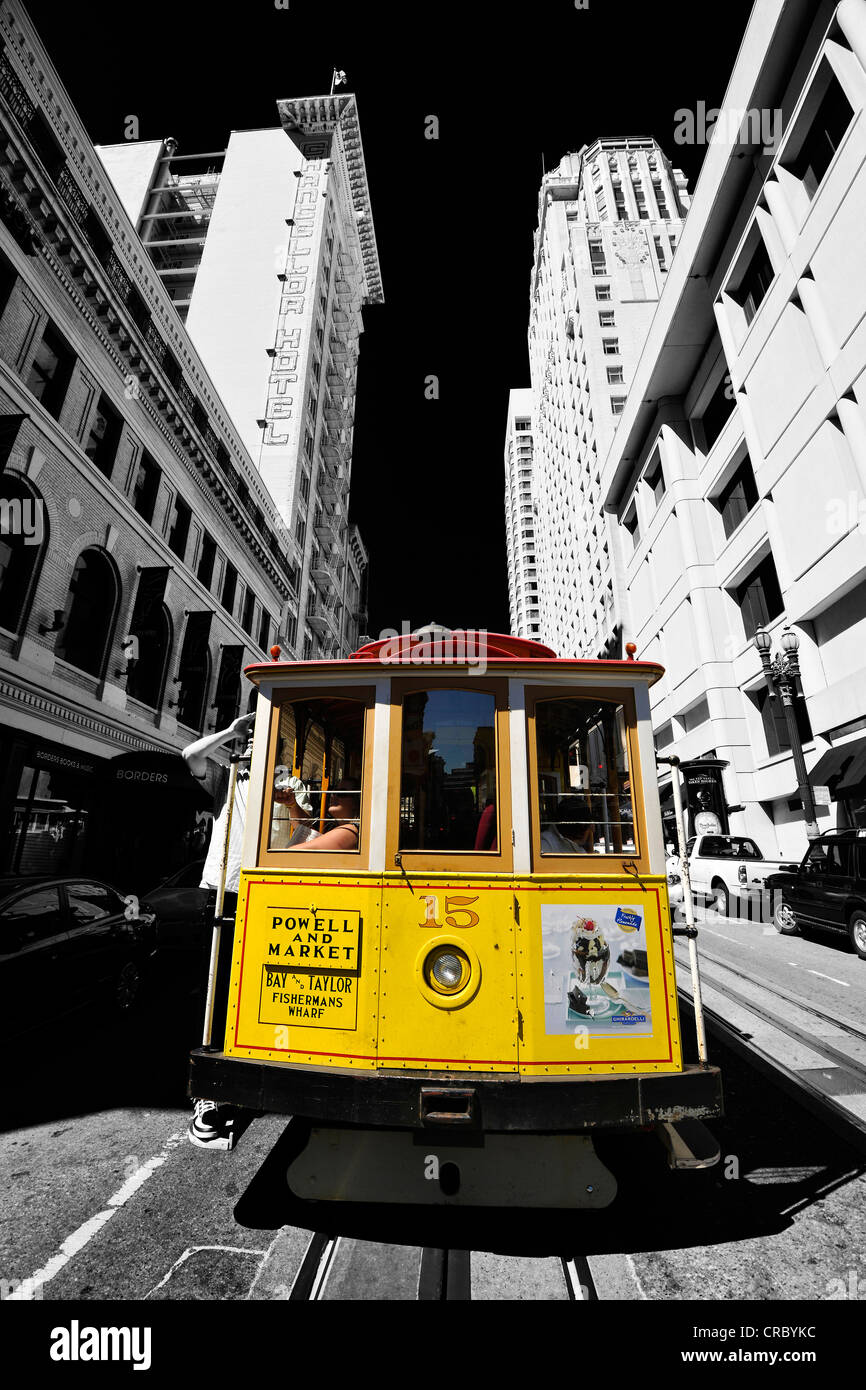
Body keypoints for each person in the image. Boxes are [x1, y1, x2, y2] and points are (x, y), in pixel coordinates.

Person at [183, 710, 256, 1151]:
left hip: (266, 888)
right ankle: (207, 1094)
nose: (250, 751)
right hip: (224, 886)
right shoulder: (226, 779)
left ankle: (239, 1075)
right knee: (215, 987)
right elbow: (190, 754)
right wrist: (231, 732)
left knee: (246, 988)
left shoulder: (282, 782)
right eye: (246, 746)